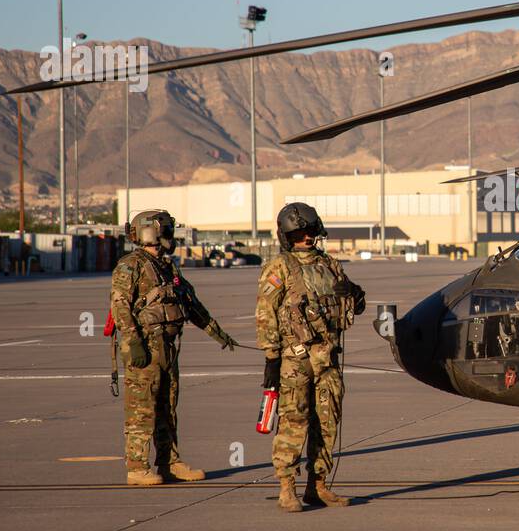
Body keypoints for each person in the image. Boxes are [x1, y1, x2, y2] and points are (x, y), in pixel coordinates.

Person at [110, 209, 236, 486]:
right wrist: (133, 343)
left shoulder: (167, 266)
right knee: (142, 409)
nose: (170, 235)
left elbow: (190, 303)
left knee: (168, 406)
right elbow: (120, 306)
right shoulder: (130, 265)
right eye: (166, 230)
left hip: (167, 347)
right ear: (151, 232)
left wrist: (218, 334)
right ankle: (137, 467)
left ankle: (169, 462)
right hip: (144, 347)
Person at [256, 203, 365, 513]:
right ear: (287, 237)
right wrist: (271, 356)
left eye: (309, 231)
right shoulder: (280, 267)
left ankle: (317, 486)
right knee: (294, 421)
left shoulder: (331, 265)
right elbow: (266, 312)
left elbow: (353, 304)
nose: (306, 237)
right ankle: (286, 487)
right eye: (298, 233)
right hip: (295, 359)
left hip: (328, 358)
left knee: (327, 421)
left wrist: (354, 294)